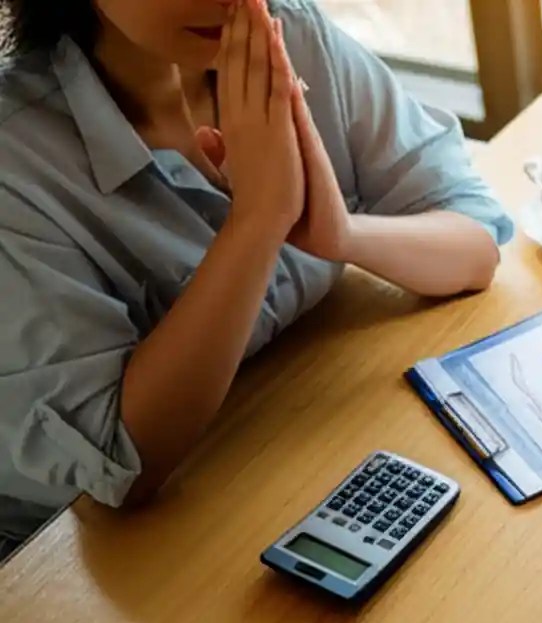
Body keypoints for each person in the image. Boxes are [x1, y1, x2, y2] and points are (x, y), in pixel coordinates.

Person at [0, 0, 513, 557]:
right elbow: (121, 463)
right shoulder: (18, 161)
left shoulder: (289, 33)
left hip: (289, 455)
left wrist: (342, 235)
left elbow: (475, 241)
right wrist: (259, 220)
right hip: (70, 566)